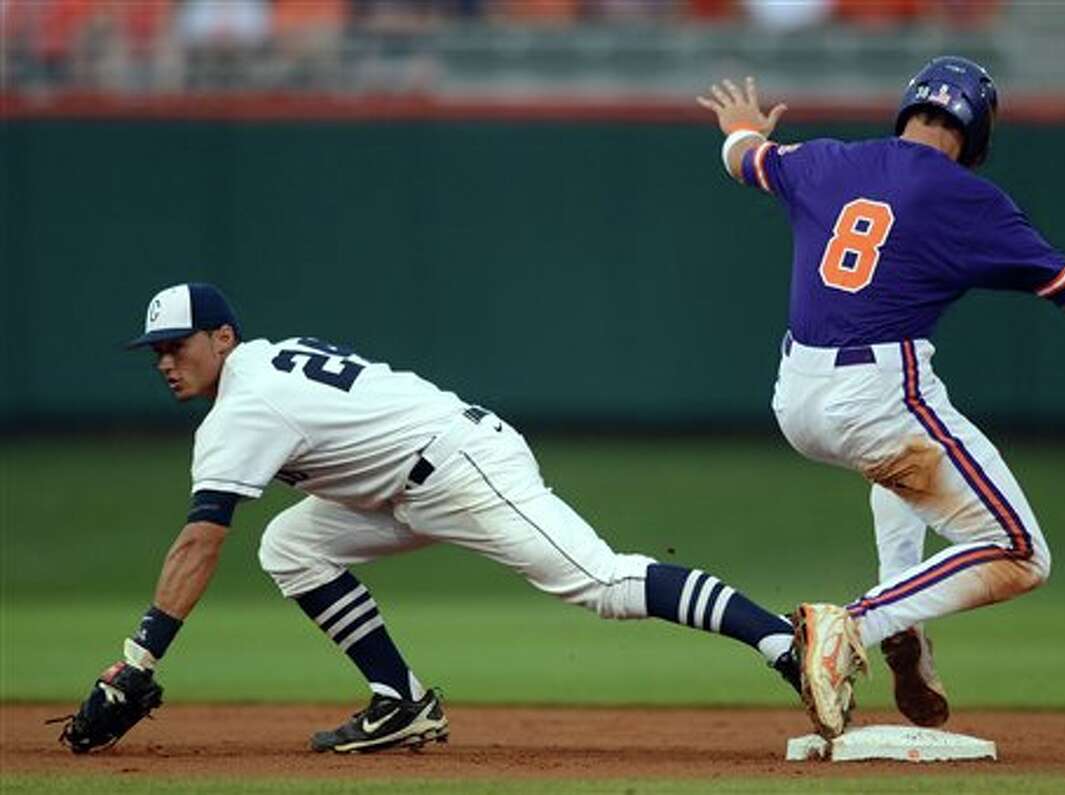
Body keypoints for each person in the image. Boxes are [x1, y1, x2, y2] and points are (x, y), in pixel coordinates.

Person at [58, 281, 855, 755]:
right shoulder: (263, 362)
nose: (166, 360)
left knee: (598, 582)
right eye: (155, 350)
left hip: (460, 465)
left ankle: (788, 640)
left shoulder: (243, 403)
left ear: (222, 336)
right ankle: (399, 699)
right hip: (403, 483)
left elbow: (200, 540)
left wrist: (136, 662)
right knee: (292, 542)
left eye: (178, 344)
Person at [697, 57, 1065, 736]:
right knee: (1020, 550)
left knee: (902, 466)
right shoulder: (968, 199)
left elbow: (746, 158)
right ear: (978, 133)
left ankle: (909, 620)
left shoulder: (824, 159)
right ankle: (857, 623)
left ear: (907, 109)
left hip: (796, 399)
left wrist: (739, 130)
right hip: (875, 391)